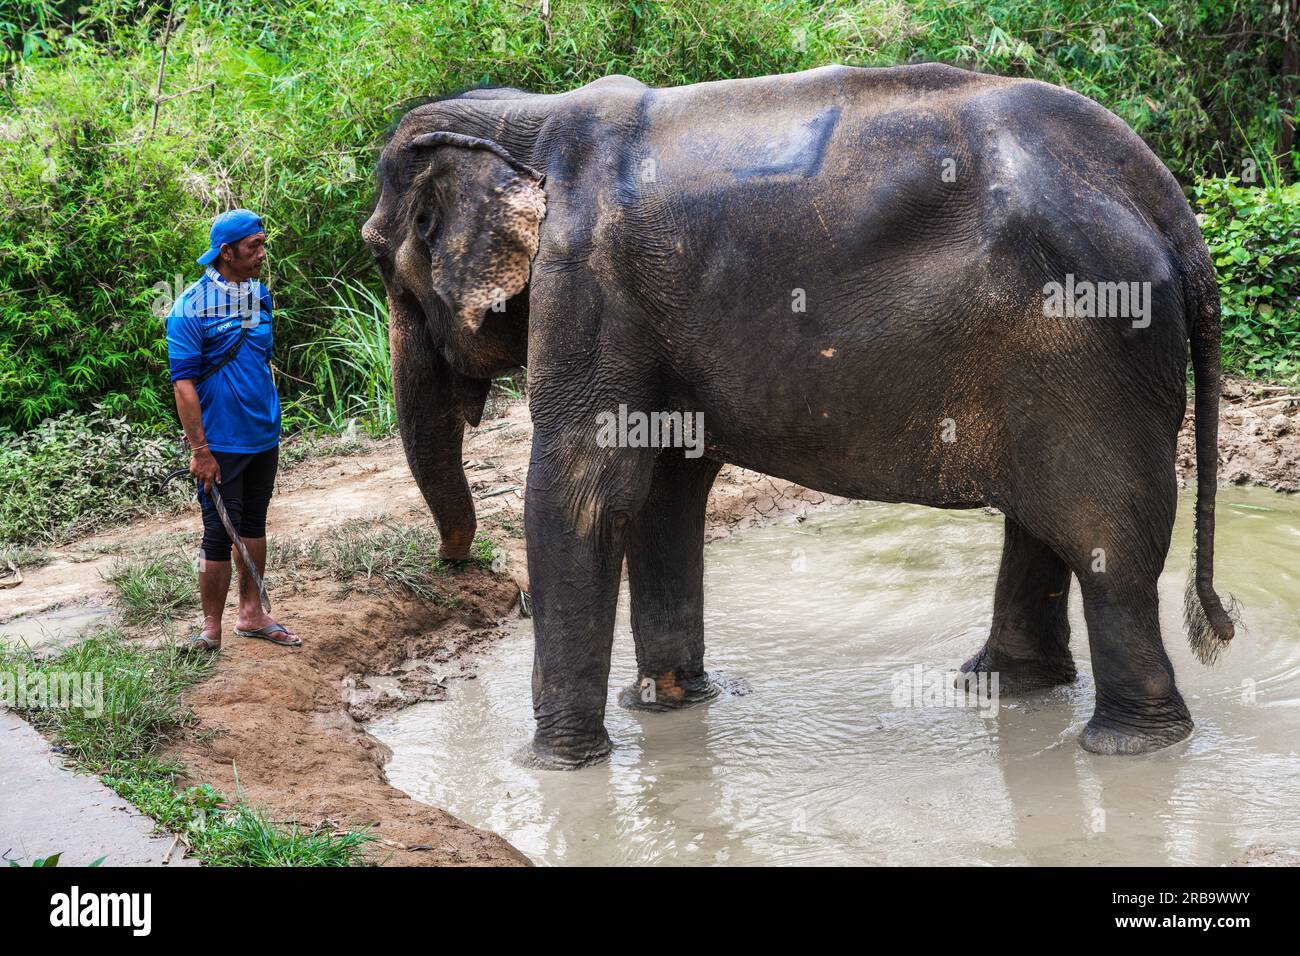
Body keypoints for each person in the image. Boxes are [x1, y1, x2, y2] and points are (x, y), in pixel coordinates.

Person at [165, 208, 300, 650]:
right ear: (226, 252)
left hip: (263, 435)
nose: (262, 254)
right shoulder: (189, 308)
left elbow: (259, 361)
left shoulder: (260, 297)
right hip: (219, 443)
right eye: (253, 246)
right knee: (219, 532)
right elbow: (183, 384)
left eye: (263, 244)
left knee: (254, 524)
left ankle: (252, 614)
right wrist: (199, 448)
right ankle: (210, 629)